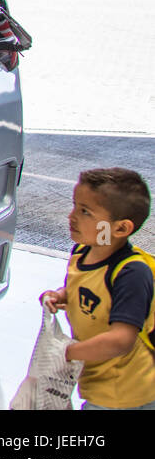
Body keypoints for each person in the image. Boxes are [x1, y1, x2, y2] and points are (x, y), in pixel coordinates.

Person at [41, 168, 155, 409]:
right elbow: (84, 288)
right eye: (74, 205)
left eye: (85, 212)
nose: (71, 216)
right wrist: (61, 295)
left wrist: (68, 352)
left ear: (121, 229)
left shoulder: (131, 274)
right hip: (97, 380)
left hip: (126, 391)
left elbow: (121, 339)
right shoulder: (82, 252)